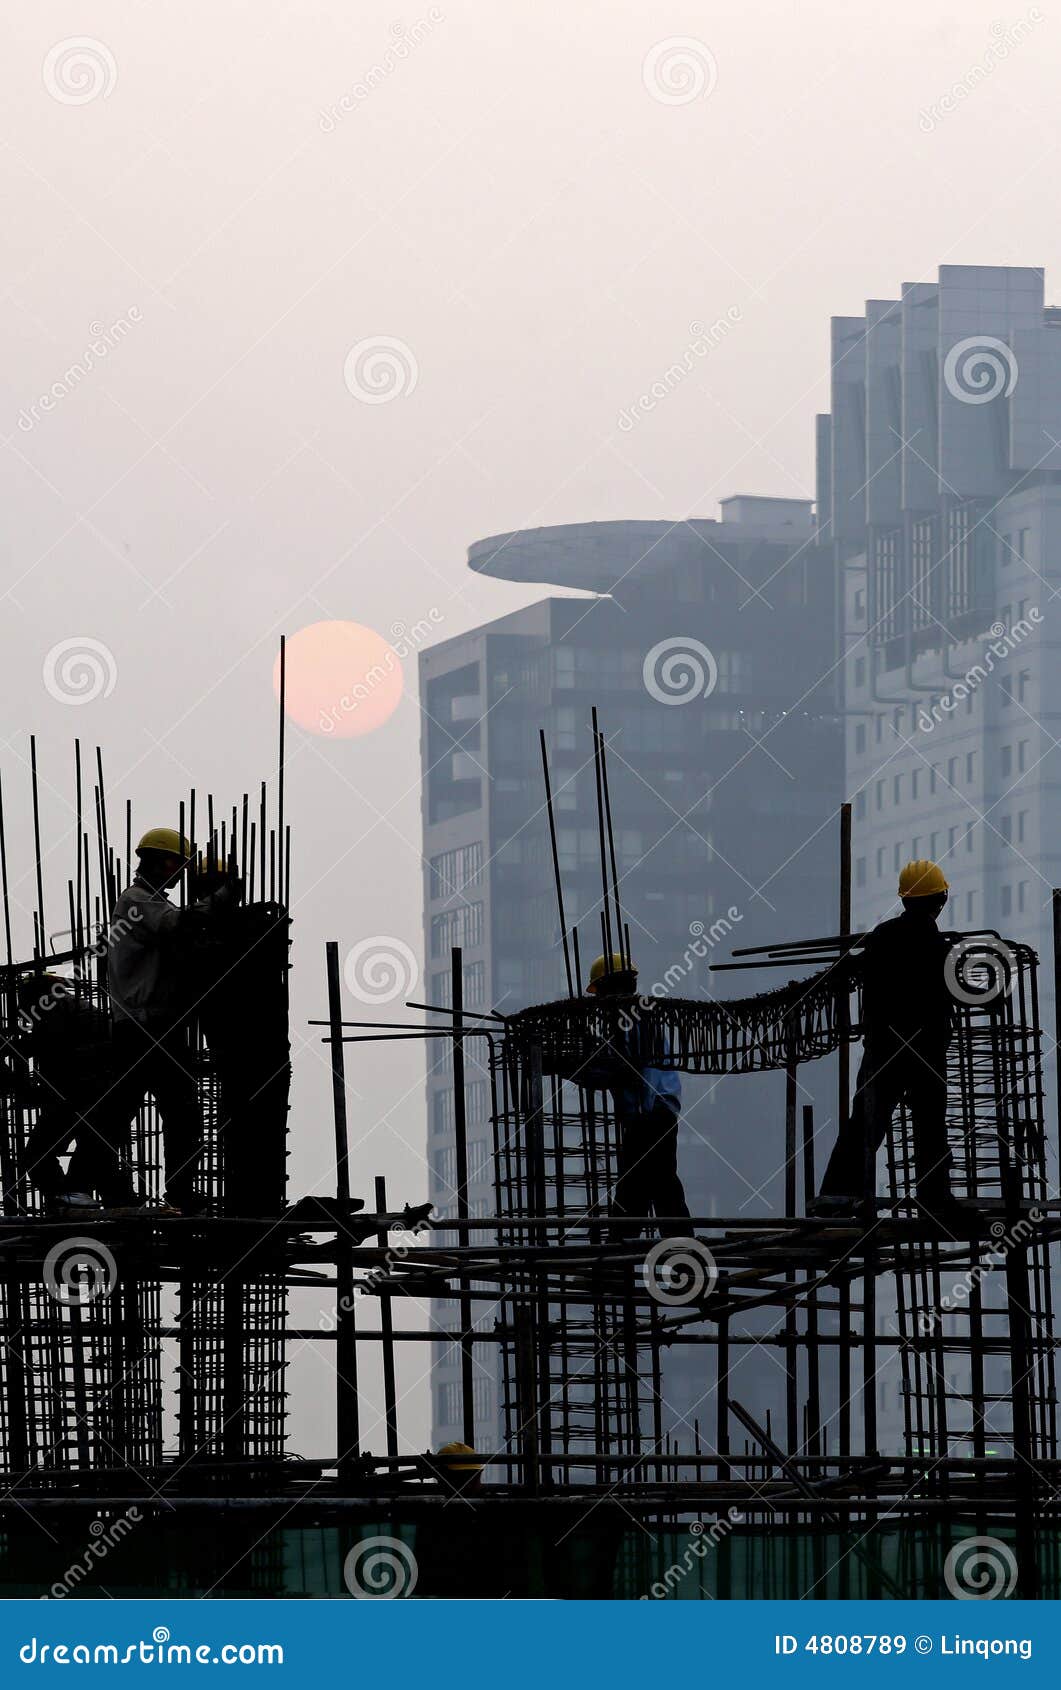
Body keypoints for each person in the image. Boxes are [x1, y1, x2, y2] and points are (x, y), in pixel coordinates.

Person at [812, 859, 966, 1225]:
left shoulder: (880, 938)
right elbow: (958, 995)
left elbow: (858, 976)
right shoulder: (938, 947)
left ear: (904, 899)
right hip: (925, 1054)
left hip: (882, 1051)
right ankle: (935, 1198)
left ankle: (837, 1196)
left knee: (863, 1125)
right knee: (930, 1126)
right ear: (941, 899)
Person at [98, 826, 239, 1215]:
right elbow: (174, 925)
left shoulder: (152, 902)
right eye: (178, 863)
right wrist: (222, 899)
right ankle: (104, 1187)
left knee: (176, 1113)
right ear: (161, 861)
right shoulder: (137, 901)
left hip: (158, 1026)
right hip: (144, 1027)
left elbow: (183, 940)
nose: (181, 872)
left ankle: (176, 1192)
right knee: (128, 1112)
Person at [576, 952, 690, 1241]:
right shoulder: (632, 1021)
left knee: (640, 1188)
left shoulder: (635, 1019)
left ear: (612, 988)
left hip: (650, 1115)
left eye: (601, 992)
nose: (599, 1001)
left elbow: (622, 1069)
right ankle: (672, 1251)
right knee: (653, 1186)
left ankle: (620, 1257)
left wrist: (577, 1068)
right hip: (653, 1116)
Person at [10, 973, 113, 1215]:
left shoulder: (56, 1005)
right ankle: (83, 1200)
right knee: (99, 1157)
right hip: (90, 1090)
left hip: (79, 1091)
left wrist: (18, 1051)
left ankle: (66, 1199)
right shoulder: (71, 1006)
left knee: (37, 1154)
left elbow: (51, 1046)